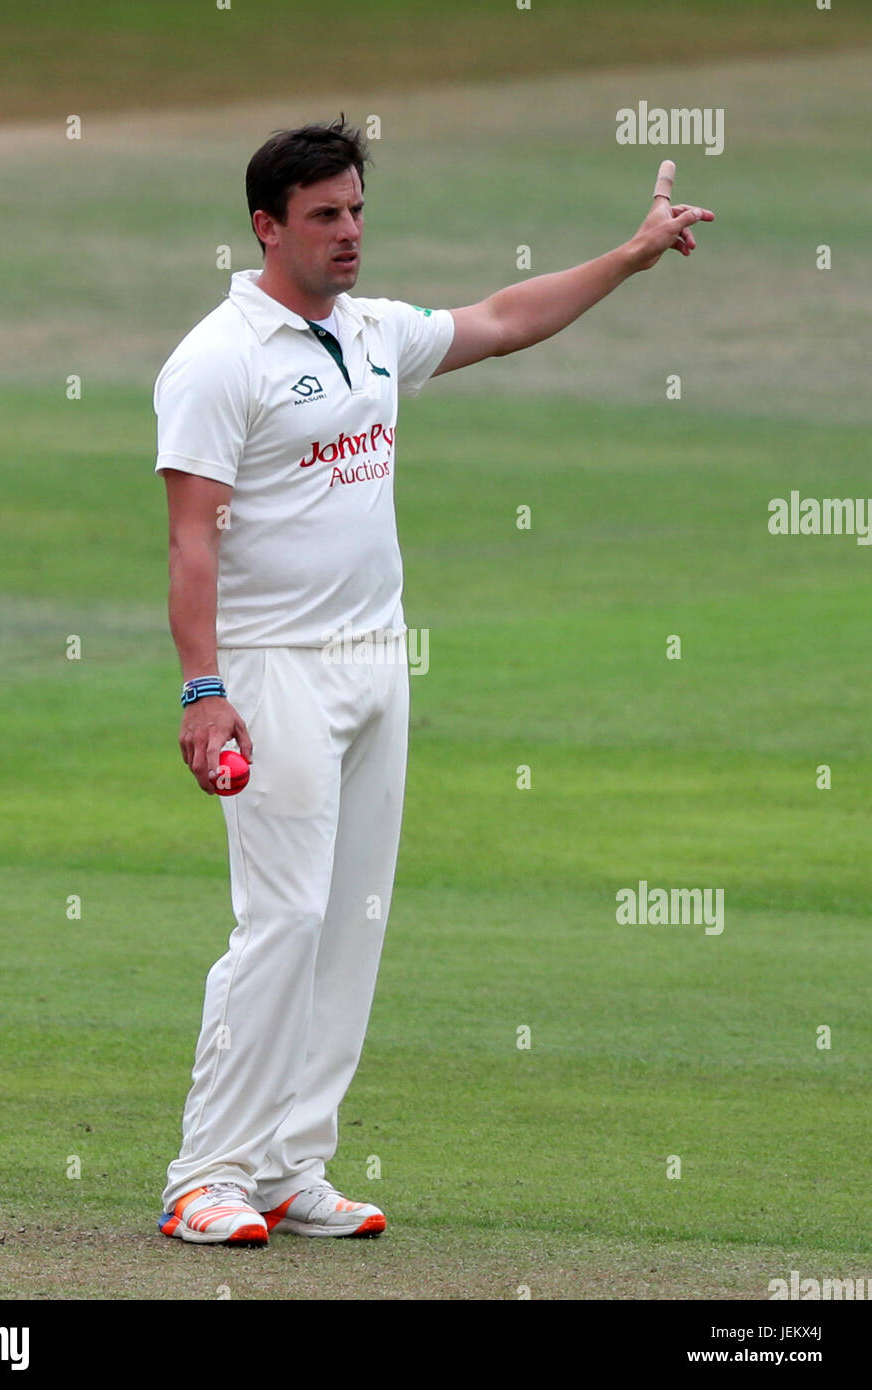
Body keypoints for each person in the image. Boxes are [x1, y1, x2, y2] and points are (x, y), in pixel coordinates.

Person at [153, 115, 713, 1245]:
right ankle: (204, 1172)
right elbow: (190, 539)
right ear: (268, 227)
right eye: (325, 216)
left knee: (351, 916)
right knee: (284, 917)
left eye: (357, 209)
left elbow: (504, 320)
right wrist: (201, 689)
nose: (349, 231)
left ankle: (288, 1165)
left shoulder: (369, 334)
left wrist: (630, 253)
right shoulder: (217, 359)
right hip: (273, 672)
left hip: (375, 663)